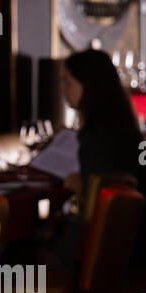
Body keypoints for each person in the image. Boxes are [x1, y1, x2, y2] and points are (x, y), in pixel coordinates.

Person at [50, 49, 146, 270]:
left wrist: (78, 184)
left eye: (67, 82)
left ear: (88, 84)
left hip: (101, 251)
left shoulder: (96, 135)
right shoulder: (124, 127)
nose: (63, 89)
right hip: (131, 245)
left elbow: (97, 192)